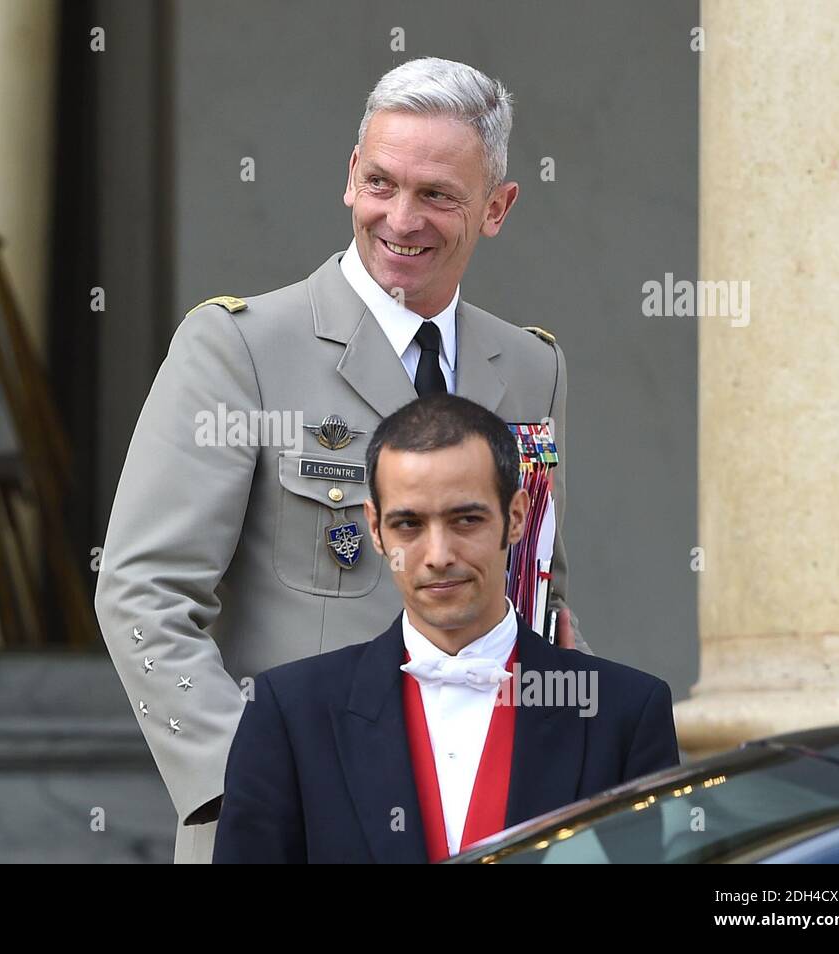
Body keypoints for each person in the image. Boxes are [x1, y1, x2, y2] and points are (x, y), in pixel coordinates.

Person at [96, 57, 589, 864]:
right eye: (382, 183)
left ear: (496, 208)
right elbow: (141, 596)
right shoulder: (241, 347)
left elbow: (542, 596)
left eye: (438, 195)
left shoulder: (532, 367)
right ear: (350, 179)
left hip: (493, 828)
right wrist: (257, 785)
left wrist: (579, 769)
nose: (402, 218)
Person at [212, 394, 679, 863]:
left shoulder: (625, 715)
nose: (438, 555)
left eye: (466, 520)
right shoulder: (289, 713)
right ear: (375, 529)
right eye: (409, 524)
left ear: (515, 517)